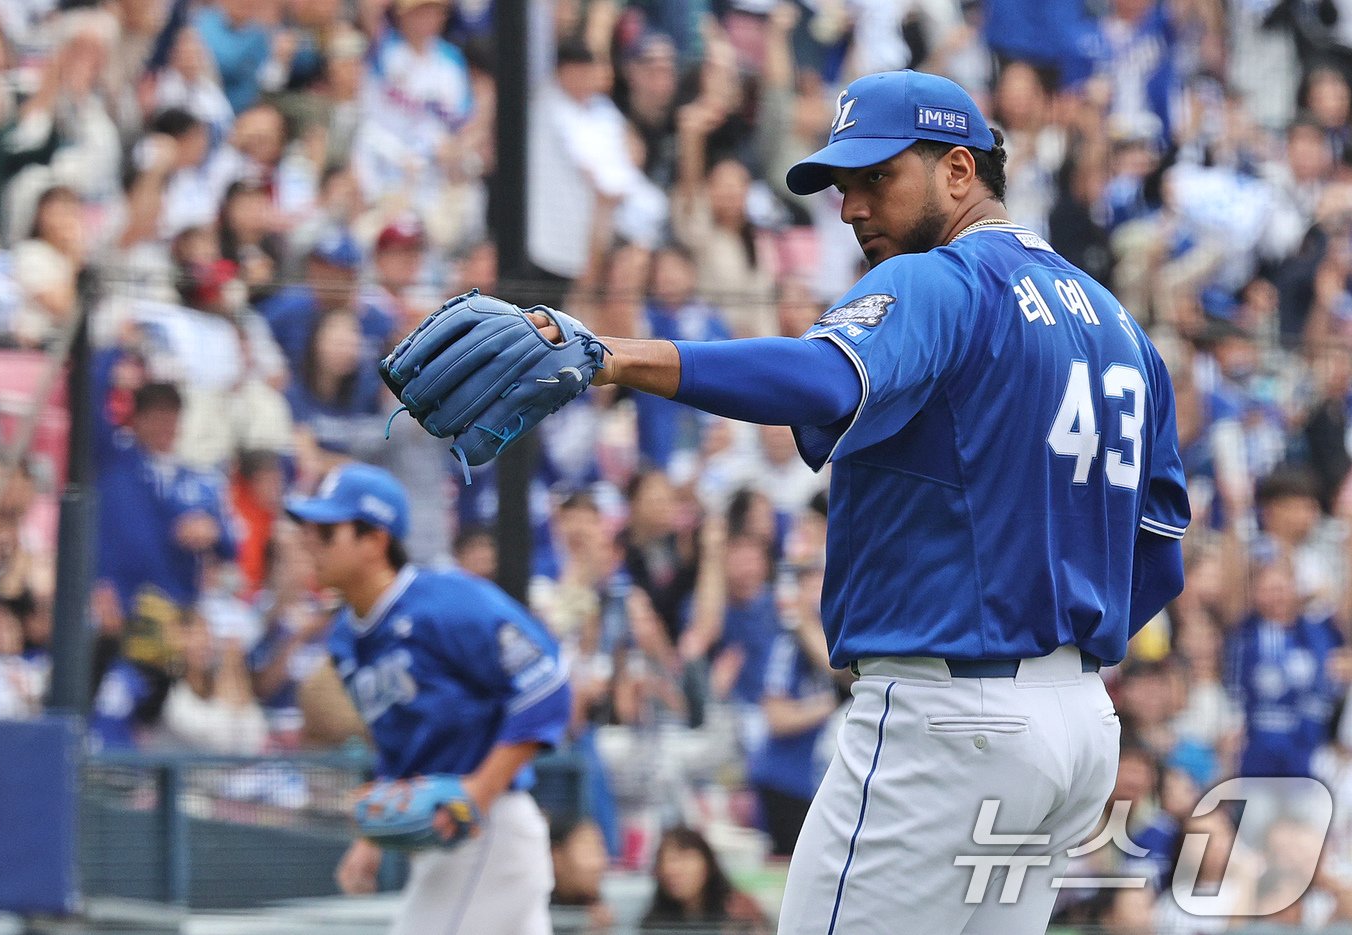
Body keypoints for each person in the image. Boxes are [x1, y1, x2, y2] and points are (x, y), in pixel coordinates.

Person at [512, 69, 1189, 933]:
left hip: (949, 716)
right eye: (843, 185)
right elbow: (1159, 558)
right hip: (1078, 726)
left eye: (877, 178)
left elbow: (821, 374)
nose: (851, 207)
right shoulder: (1120, 326)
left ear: (958, 170)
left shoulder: (941, 281)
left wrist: (614, 355)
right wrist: (1044, 649)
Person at [287, 463, 570, 935]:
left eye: (326, 531)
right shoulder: (345, 639)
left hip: (489, 833)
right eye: (307, 529)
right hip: (450, 846)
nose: (309, 542)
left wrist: (479, 791)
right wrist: (371, 842)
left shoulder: (448, 602)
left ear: (375, 541)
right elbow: (401, 742)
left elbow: (547, 682)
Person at [639, 824, 769, 934]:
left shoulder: (739, 911)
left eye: (683, 859)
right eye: (666, 861)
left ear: (707, 864)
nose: (673, 871)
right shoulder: (655, 922)